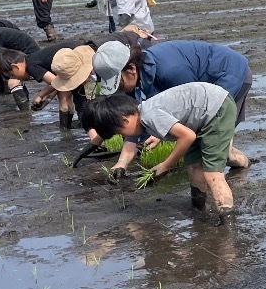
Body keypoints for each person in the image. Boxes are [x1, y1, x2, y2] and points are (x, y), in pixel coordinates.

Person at [82, 84, 239, 223]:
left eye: (119, 132)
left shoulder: (150, 115)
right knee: (194, 168)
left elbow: (188, 136)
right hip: (199, 116)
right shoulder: (143, 115)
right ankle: (199, 211)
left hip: (216, 110)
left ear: (125, 120)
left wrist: (165, 165)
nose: (123, 137)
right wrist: (123, 162)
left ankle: (228, 223)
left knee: (212, 173)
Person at [90, 40, 251, 168]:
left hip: (228, 76)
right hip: (206, 87)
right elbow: (134, 121)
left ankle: (241, 166)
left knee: (212, 148)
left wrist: (161, 131)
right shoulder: (137, 76)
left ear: (131, 69)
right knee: (209, 150)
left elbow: (192, 108)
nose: (118, 89)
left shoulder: (171, 71)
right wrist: (122, 162)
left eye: (118, 82)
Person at [0, 42, 94, 128]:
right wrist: (48, 99)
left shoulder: (31, 66)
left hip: (76, 58)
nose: (17, 78)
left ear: (15, 67)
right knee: (70, 93)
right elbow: (59, 84)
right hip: (81, 51)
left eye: (13, 75)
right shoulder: (33, 58)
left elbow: (54, 82)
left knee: (74, 97)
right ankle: (78, 124)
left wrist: (40, 95)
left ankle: (74, 127)